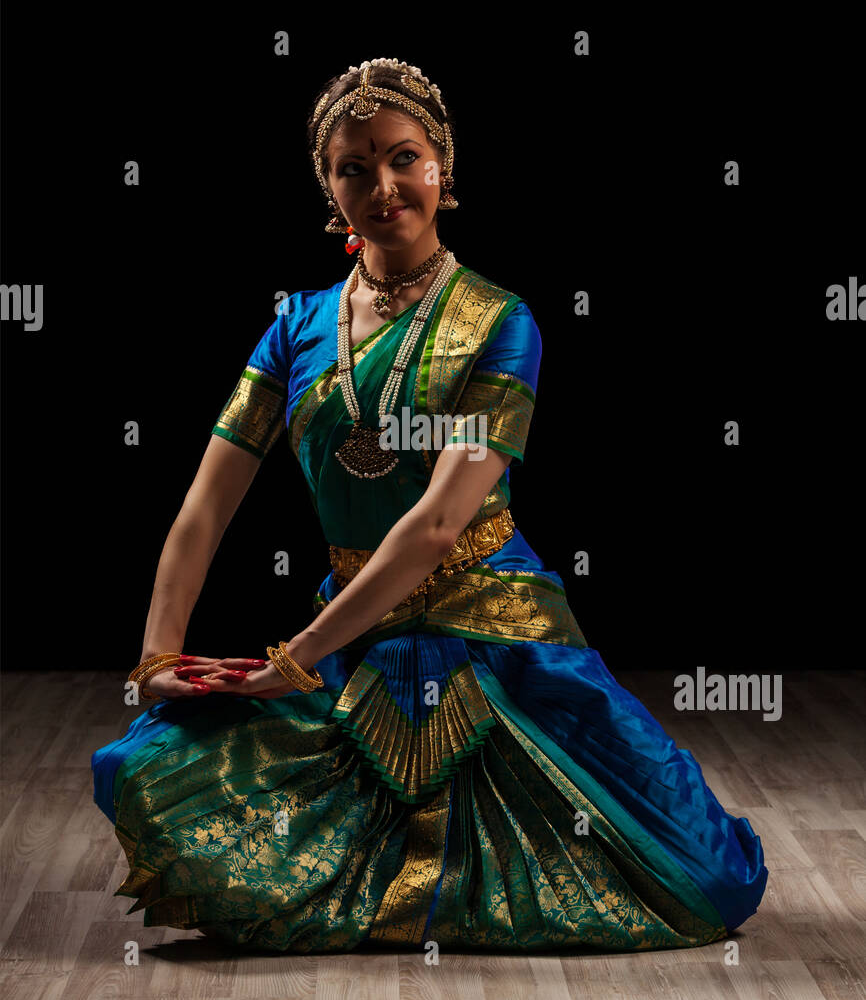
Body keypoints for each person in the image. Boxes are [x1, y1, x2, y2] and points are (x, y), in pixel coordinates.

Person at [92, 57, 768, 952]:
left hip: (494, 625)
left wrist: (289, 662)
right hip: (356, 636)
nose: (384, 186)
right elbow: (202, 511)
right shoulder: (296, 327)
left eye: (404, 158)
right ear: (328, 190)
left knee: (705, 878)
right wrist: (155, 657)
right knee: (150, 765)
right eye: (354, 167)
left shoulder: (499, 320)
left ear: (444, 170)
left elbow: (440, 524)